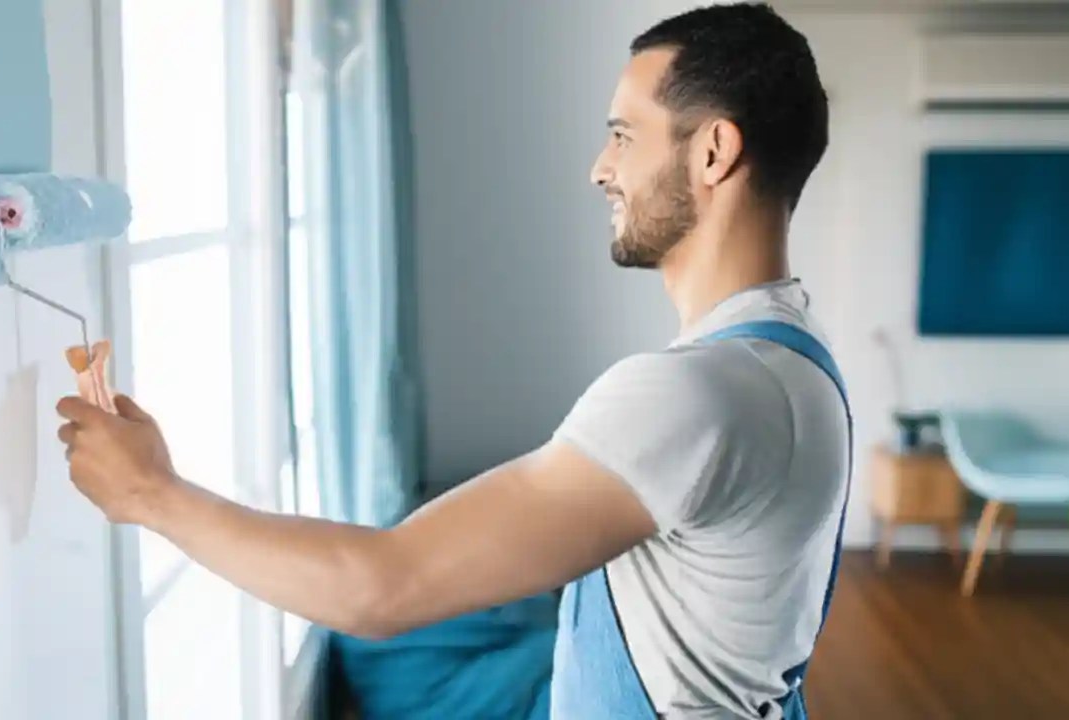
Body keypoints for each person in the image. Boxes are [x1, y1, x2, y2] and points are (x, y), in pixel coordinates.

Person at [56, 3, 847, 718]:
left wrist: (150, 494)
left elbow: (380, 589)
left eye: (622, 134)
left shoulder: (692, 396)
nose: (600, 169)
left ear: (712, 151)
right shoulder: (801, 366)